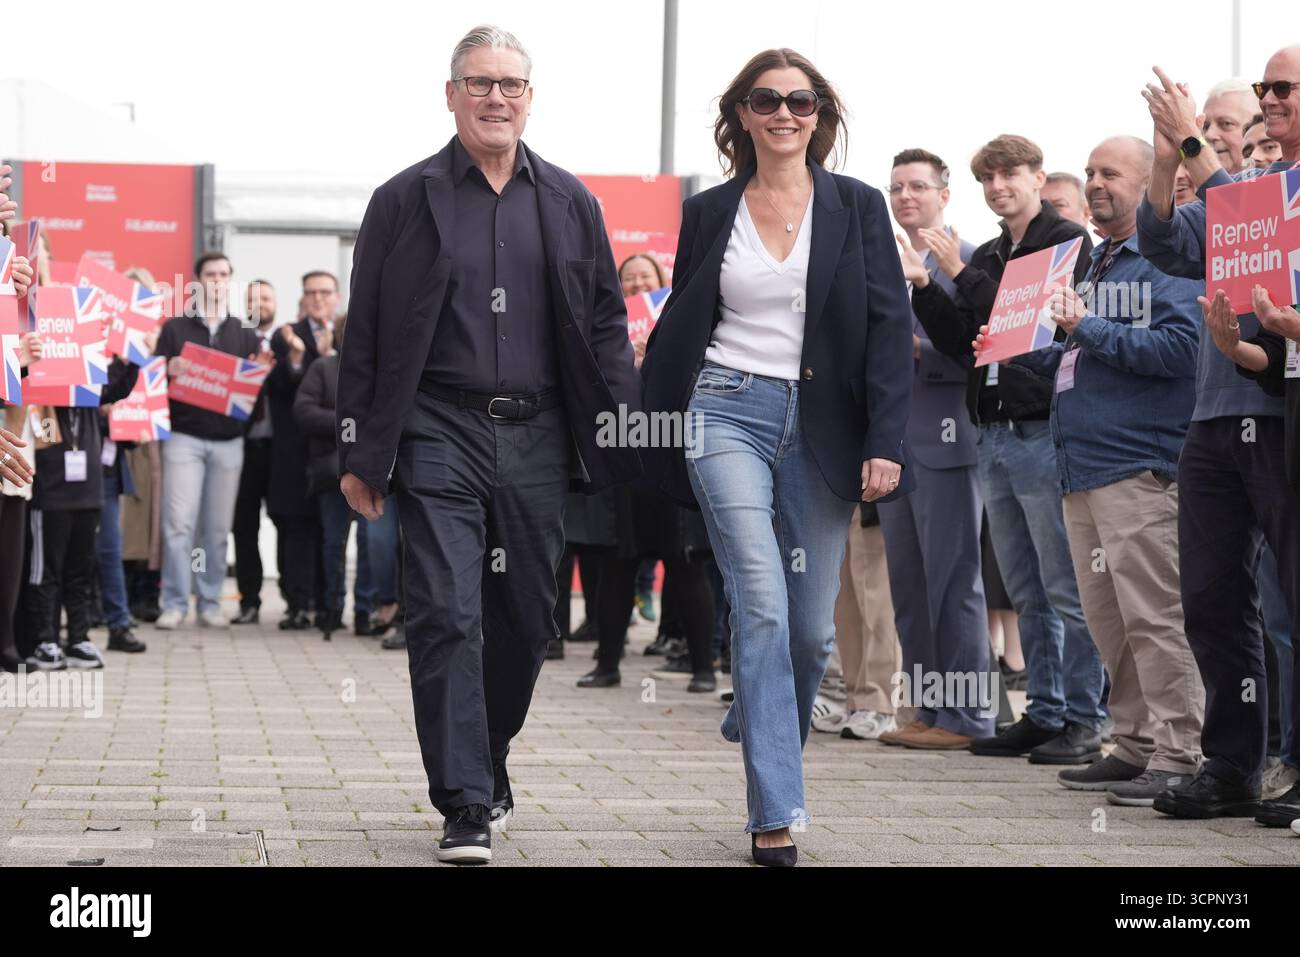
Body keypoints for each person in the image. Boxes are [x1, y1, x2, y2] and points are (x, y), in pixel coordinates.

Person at [337, 24, 641, 865]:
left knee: (528, 615)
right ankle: (464, 798)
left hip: (540, 432)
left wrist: (622, 429)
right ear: (451, 94)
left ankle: (489, 750)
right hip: (438, 427)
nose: (495, 97)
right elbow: (364, 332)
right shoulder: (403, 199)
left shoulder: (572, 201)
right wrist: (362, 452)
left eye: (510, 83)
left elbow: (608, 326)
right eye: (478, 82)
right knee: (444, 610)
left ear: (530, 98)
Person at [641, 48, 913, 866]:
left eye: (802, 100)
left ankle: (753, 712)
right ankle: (774, 811)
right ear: (744, 115)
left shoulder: (859, 207)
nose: (785, 112)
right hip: (725, 411)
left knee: (805, 634)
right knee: (758, 604)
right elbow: (686, 317)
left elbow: (890, 330)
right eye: (768, 100)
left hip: (825, 426)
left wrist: (887, 440)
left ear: (820, 114)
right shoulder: (708, 211)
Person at [984, 136, 1205, 804]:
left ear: (1150, 183)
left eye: (1111, 173)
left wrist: (1085, 329)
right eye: (1090, 173)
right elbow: (1080, 359)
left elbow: (1179, 350)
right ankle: (1134, 742)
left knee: (1154, 615)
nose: (1095, 182)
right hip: (1080, 466)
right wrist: (1016, 352)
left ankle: (1182, 751)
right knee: (1110, 619)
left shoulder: (1166, 263)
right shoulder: (1099, 263)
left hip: (1136, 464)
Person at [1135, 51, 1300, 826]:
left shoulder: (1267, 196)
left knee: (1289, 605)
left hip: (1279, 414)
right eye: (1254, 99)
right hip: (1214, 418)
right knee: (1208, 595)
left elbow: (1257, 225)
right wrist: (1168, 151)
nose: (1265, 112)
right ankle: (1232, 761)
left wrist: (1192, 151)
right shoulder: (1237, 195)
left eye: (1273, 97)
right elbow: (1165, 244)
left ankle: (1289, 759)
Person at [910, 134, 1105, 766]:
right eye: (988, 178)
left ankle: (1085, 717)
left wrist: (962, 274)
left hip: (1039, 424)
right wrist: (924, 287)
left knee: (1064, 582)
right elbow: (968, 338)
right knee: (1024, 585)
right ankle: (1044, 711)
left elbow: (1023, 322)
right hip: (991, 428)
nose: (998, 186)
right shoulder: (996, 250)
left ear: (1037, 176)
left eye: (1009, 174)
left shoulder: (1064, 242)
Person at [881, 147, 992, 748]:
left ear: (944, 195)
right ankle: (927, 707)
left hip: (948, 435)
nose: (905, 197)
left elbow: (974, 346)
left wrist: (908, 349)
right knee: (910, 585)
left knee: (955, 581)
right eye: (896, 187)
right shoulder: (883, 260)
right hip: (894, 443)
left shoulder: (967, 262)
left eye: (918, 187)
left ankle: (968, 716)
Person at [154, 253, 267, 630]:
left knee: (216, 529)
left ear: (230, 280)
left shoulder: (244, 331)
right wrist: (168, 370)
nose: (217, 280)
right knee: (178, 524)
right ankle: (173, 602)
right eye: (210, 274)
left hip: (228, 442)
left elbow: (253, 397)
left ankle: (209, 600)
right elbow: (151, 382)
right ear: (197, 281)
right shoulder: (174, 329)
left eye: (223, 274)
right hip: (184, 438)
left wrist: (260, 376)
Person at [267, 272, 338, 631]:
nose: (318, 298)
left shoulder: (352, 332)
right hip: (294, 452)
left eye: (325, 292)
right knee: (295, 529)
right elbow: (276, 388)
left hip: (336, 455)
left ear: (336, 296)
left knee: (332, 533)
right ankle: (297, 604)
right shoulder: (285, 335)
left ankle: (329, 606)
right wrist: (296, 358)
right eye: (311, 293)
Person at [232, 278, 282, 625]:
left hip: (283, 451)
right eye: (252, 299)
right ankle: (249, 600)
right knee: (244, 526)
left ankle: (295, 600)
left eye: (265, 298)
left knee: (287, 523)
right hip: (244, 446)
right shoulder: (235, 343)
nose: (259, 304)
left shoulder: (291, 341)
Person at [1198, 79, 1258, 175]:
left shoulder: (1284, 184)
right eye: (1205, 127)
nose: (1209, 135)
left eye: (1226, 124)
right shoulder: (1187, 186)